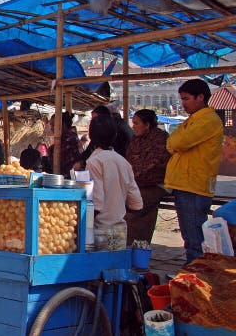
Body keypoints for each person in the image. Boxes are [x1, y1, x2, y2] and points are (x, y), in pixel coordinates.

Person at [165, 79, 224, 263]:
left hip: (193, 187)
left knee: (194, 240)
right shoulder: (193, 120)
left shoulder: (207, 120)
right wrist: (175, 142)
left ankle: (195, 281)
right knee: (190, 238)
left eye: (186, 99)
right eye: (182, 99)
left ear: (201, 97)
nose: (183, 104)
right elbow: (171, 142)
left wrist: (175, 142)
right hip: (186, 185)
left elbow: (177, 142)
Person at [86, 116, 143, 243]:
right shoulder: (123, 162)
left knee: (100, 262)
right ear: (115, 135)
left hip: (99, 230)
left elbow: (96, 202)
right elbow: (136, 203)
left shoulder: (94, 162)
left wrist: (82, 227)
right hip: (119, 231)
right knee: (115, 262)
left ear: (91, 136)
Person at [124, 109, 171, 245]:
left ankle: (136, 247)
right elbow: (128, 160)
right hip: (136, 183)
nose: (133, 126)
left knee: (135, 207)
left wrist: (135, 177)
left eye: (136, 123)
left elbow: (155, 165)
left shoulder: (161, 139)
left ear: (147, 125)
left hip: (157, 184)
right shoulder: (136, 139)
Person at [46, 111, 81, 177]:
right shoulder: (71, 137)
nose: (51, 128)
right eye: (51, 125)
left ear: (63, 125)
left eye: (53, 125)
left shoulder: (70, 139)